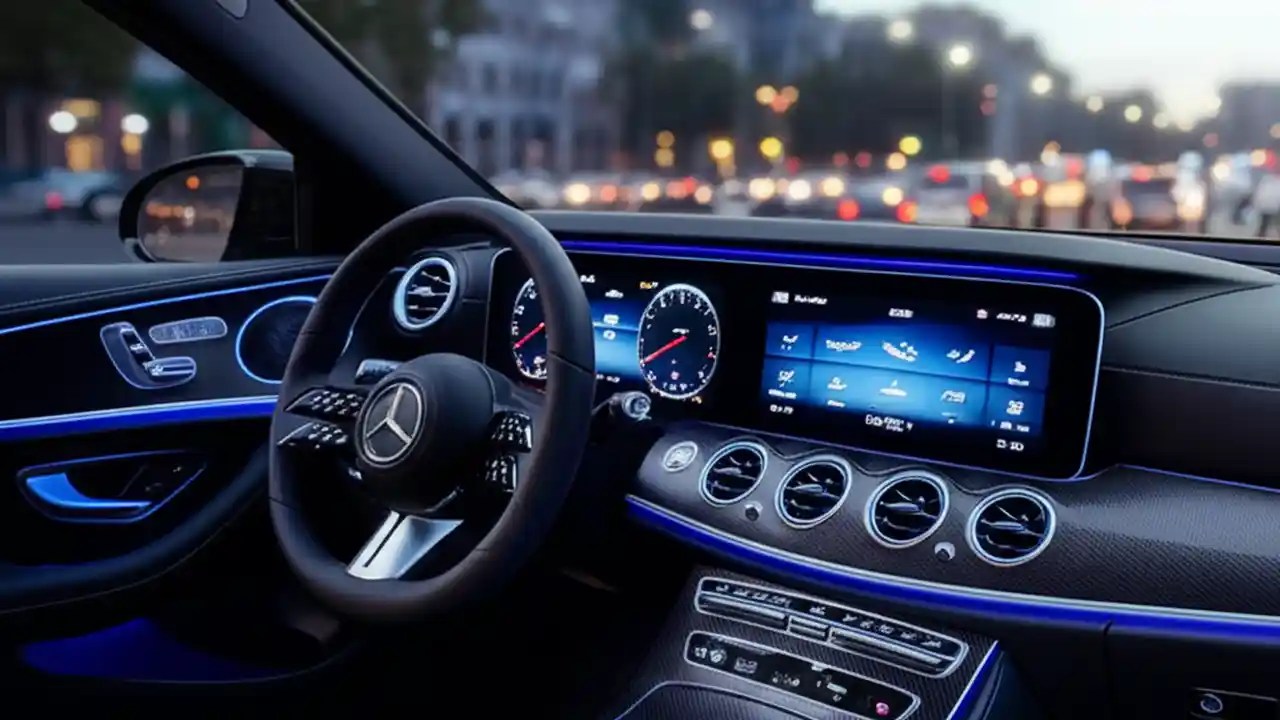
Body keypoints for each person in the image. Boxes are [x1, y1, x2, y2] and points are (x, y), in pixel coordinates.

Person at [1251, 168, 1280, 239]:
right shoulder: (1268, 180)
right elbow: (1260, 193)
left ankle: (1260, 236)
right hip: (1269, 206)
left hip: (1269, 206)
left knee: (1266, 224)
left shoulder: (1267, 180)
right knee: (1265, 223)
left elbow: (1259, 193)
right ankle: (1260, 237)